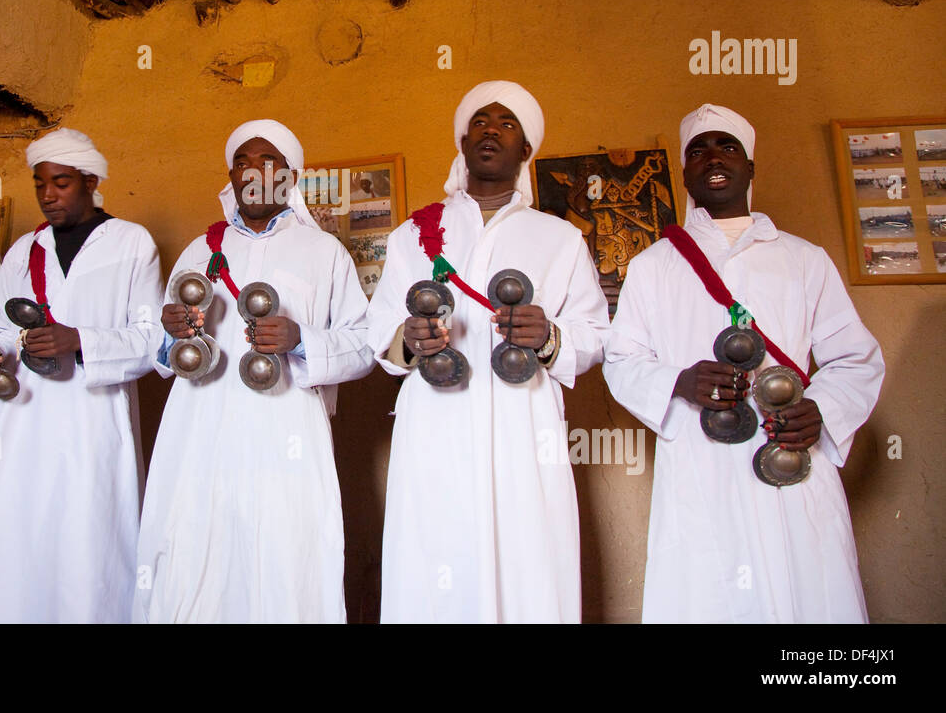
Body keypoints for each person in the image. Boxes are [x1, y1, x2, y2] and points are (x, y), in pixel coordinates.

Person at [603, 104, 884, 622]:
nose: (713, 157)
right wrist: (679, 382)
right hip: (698, 458)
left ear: (750, 168)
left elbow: (854, 357)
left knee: (805, 588)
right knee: (710, 591)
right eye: (698, 150)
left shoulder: (803, 259)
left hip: (788, 452)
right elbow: (621, 360)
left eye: (727, 146)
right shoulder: (652, 267)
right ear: (684, 172)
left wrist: (821, 410)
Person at [368, 81, 609, 623]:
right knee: (435, 556)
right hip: (434, 424)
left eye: (506, 123)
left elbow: (595, 335)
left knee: (525, 557)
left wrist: (548, 335)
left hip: (523, 427)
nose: (490, 131)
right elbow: (377, 329)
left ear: (526, 150)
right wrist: (407, 339)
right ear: (462, 141)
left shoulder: (558, 238)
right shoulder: (414, 234)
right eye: (479, 121)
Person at [133, 119, 374, 623]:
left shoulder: (323, 252)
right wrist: (172, 331)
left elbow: (363, 345)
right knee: (193, 550)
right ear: (230, 175)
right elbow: (162, 350)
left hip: (285, 431)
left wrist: (303, 339)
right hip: (199, 427)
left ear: (290, 176)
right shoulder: (200, 252)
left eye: (269, 162)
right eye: (243, 161)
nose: (255, 172)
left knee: (284, 555)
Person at [0, 129, 161, 623]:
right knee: (14, 533)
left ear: (89, 181)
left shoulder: (131, 242)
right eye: (40, 183)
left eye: (60, 183)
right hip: (20, 422)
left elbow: (151, 340)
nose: (47, 195)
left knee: (88, 539)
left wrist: (79, 339)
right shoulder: (24, 249)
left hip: (92, 421)